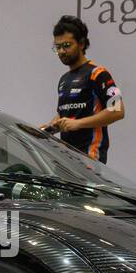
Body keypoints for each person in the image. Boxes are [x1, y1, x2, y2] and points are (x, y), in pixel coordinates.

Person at [39, 15, 124, 163]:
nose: (61, 51)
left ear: (81, 43)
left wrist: (78, 124)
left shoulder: (98, 73)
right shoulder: (63, 80)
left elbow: (118, 110)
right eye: (57, 47)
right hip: (66, 158)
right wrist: (49, 128)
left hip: (90, 157)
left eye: (66, 45)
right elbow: (64, 115)